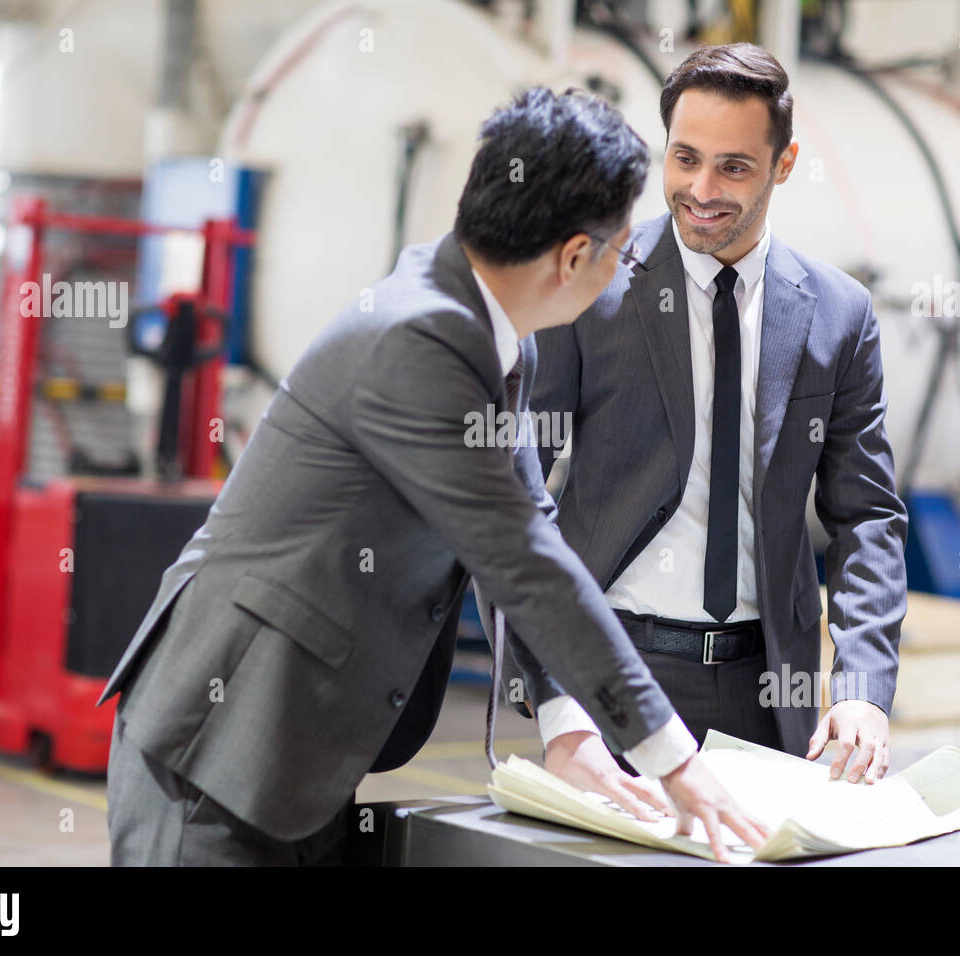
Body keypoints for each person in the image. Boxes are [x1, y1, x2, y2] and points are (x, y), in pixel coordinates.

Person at [99, 87, 769, 866]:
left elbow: (527, 529)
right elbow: (523, 563)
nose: (623, 274)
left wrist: (570, 725)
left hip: (302, 748)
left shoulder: (494, 332)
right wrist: (675, 760)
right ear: (575, 257)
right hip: (219, 745)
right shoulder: (420, 339)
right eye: (623, 251)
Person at [513, 44, 909, 798]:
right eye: (685, 158)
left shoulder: (839, 314)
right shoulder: (590, 288)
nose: (700, 189)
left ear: (783, 164)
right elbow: (515, 497)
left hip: (769, 691)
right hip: (612, 674)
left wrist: (859, 684)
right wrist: (557, 697)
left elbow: (868, 517)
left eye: (733, 167)